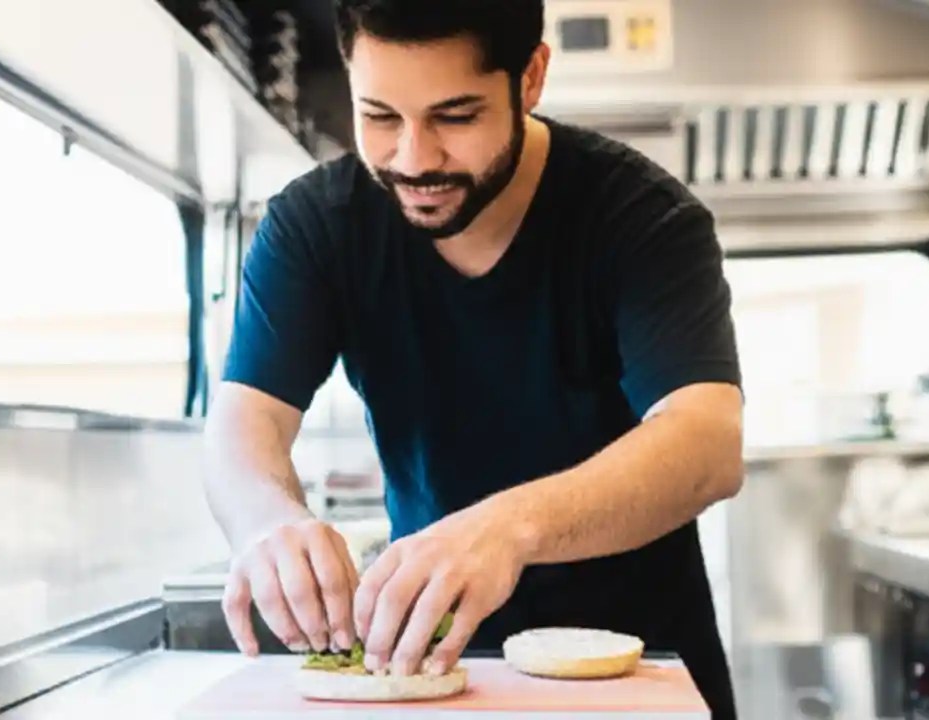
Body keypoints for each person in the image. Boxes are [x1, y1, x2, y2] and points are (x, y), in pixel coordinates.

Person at [202, 1, 745, 717]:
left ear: (531, 78)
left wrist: (510, 528)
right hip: (423, 665)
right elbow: (245, 427)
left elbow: (707, 444)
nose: (414, 158)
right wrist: (267, 523)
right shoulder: (315, 228)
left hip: (635, 671)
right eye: (381, 116)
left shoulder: (642, 220)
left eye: (455, 117)